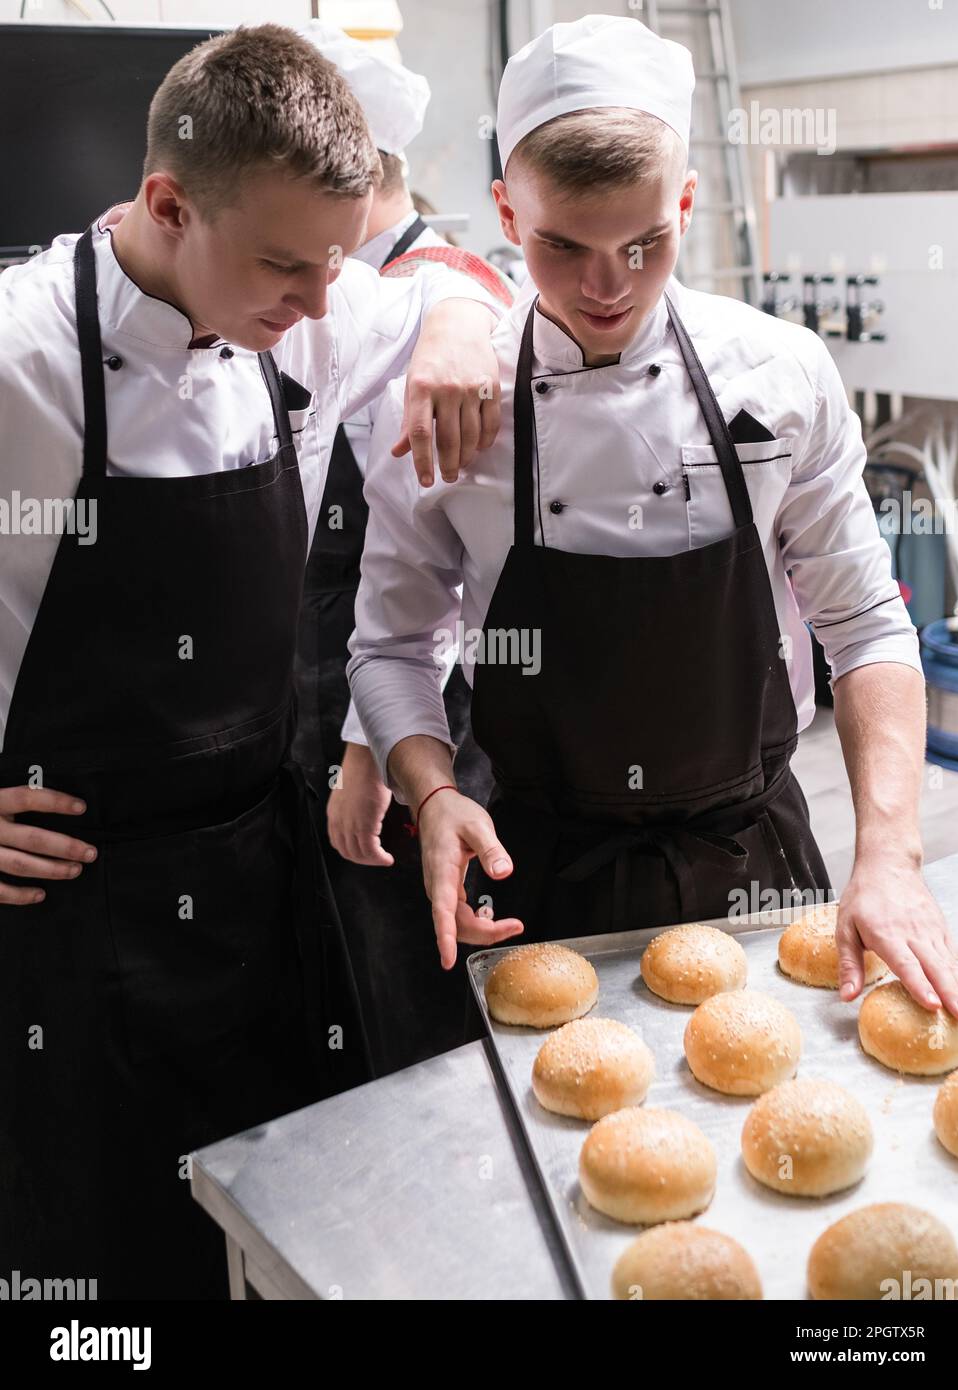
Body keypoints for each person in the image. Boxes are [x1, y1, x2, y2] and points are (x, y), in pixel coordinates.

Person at [0, 24, 506, 1299]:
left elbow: (452, 286)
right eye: (288, 264)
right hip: (72, 908)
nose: (324, 303)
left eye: (339, 262)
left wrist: (452, 309)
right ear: (167, 204)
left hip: (253, 879)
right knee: (103, 1270)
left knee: (281, 1213)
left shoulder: (303, 311)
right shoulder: (18, 361)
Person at [347, 15, 958, 1023]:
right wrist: (431, 790)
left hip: (756, 857)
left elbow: (865, 627)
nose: (608, 286)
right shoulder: (452, 405)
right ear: (507, 213)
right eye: (565, 245)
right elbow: (388, 649)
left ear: (686, 201)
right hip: (532, 874)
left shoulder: (778, 373)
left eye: (647, 243)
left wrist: (891, 853)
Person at [291, 25, 503, 1075]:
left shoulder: (436, 312)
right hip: (330, 683)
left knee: (415, 983)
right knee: (355, 977)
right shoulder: (336, 293)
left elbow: (436, 574)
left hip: (402, 713)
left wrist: (363, 750)